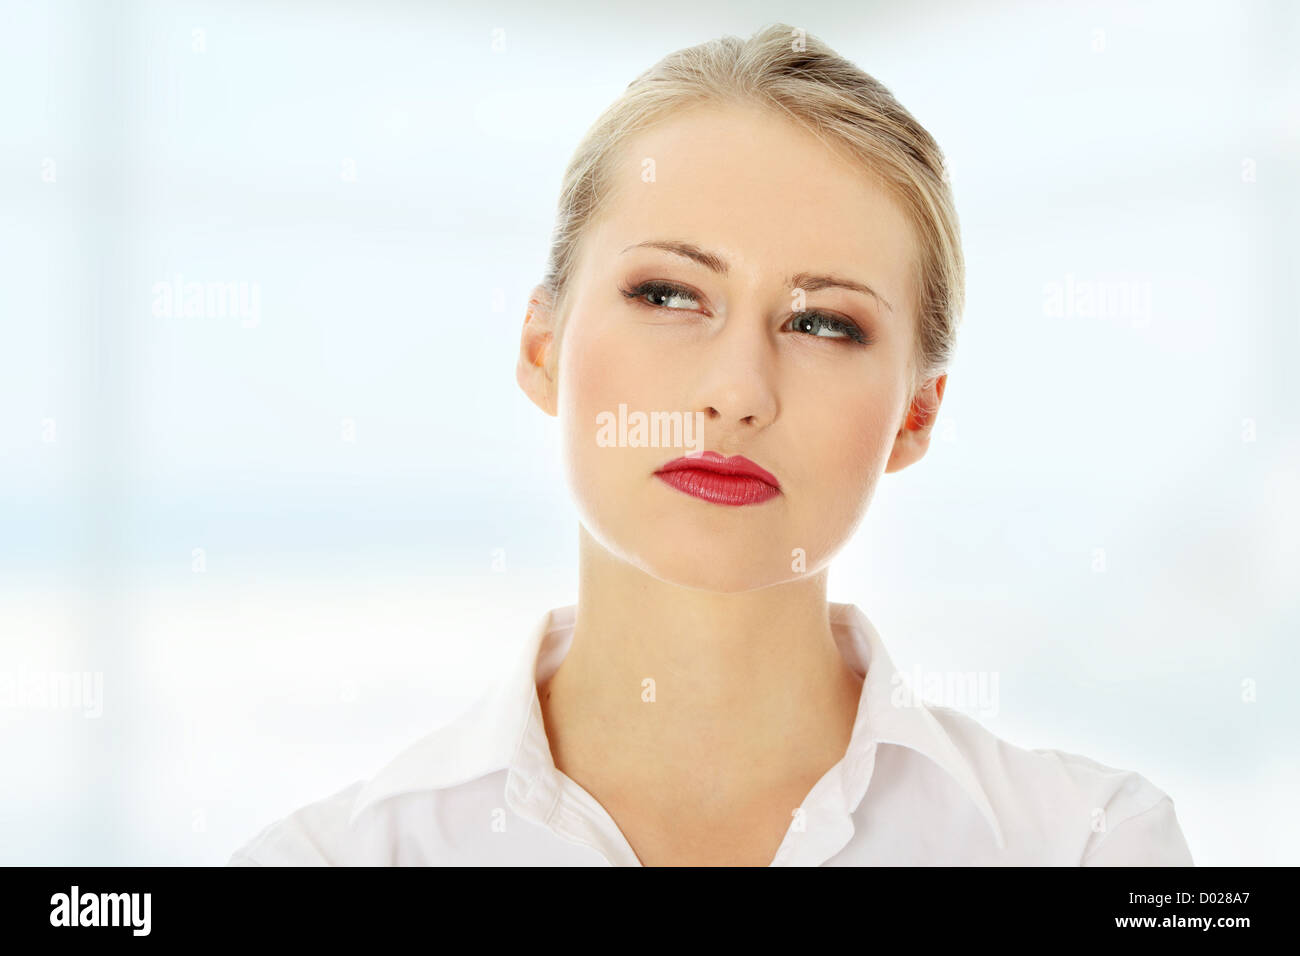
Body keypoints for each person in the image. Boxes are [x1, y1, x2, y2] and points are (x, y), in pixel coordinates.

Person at [229, 23, 1193, 866]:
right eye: (668, 295)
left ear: (917, 414)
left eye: (822, 324)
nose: (737, 394)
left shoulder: (1090, 847)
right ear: (541, 346)